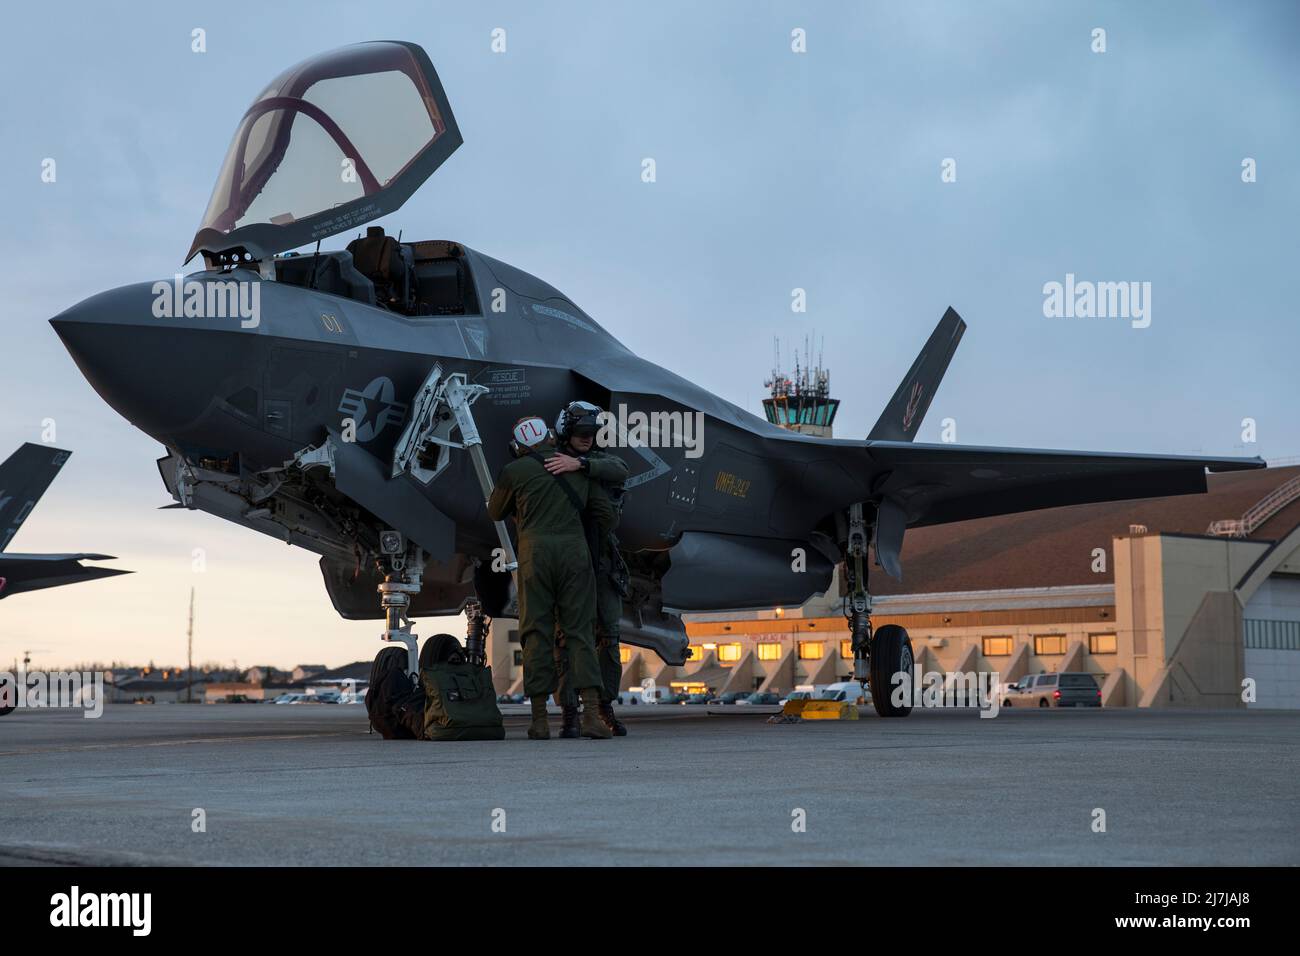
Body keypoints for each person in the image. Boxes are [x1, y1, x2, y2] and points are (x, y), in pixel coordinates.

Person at [487, 415, 614, 740]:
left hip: (534, 556)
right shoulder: (574, 466)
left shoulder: (514, 472)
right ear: (549, 437)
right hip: (575, 555)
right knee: (580, 634)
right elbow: (606, 516)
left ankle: (540, 720)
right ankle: (591, 717)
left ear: (519, 446)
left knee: (536, 633)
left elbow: (495, 511)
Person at [546, 401, 631, 737]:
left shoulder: (595, 462)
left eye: (592, 433)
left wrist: (579, 464)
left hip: (601, 564)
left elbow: (620, 468)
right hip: (567, 564)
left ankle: (604, 707)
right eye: (581, 433)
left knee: (608, 638)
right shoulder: (549, 462)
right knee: (565, 639)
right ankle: (569, 713)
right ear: (567, 431)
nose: (587, 438)